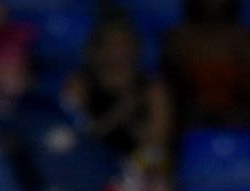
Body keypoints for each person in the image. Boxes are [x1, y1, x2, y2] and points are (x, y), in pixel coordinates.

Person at [63, 16, 174, 168]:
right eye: (110, 44)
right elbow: (72, 138)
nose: (117, 51)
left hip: (138, 167)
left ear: (136, 47)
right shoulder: (80, 84)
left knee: (155, 157)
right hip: (91, 165)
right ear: (96, 49)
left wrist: (133, 124)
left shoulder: (152, 88)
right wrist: (118, 113)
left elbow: (158, 141)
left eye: (123, 43)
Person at [164, 0, 250, 128]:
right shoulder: (179, 39)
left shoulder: (243, 39)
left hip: (238, 117)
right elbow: (171, 88)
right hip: (188, 118)